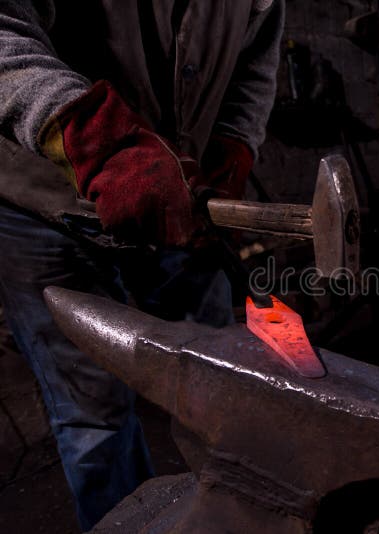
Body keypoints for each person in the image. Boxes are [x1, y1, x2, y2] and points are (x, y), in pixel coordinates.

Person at [0, 1, 284, 530]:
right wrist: (94, 137)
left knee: (221, 384)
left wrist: (235, 142)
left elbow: (256, 60)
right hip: (42, 204)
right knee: (94, 419)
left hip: (180, 197)